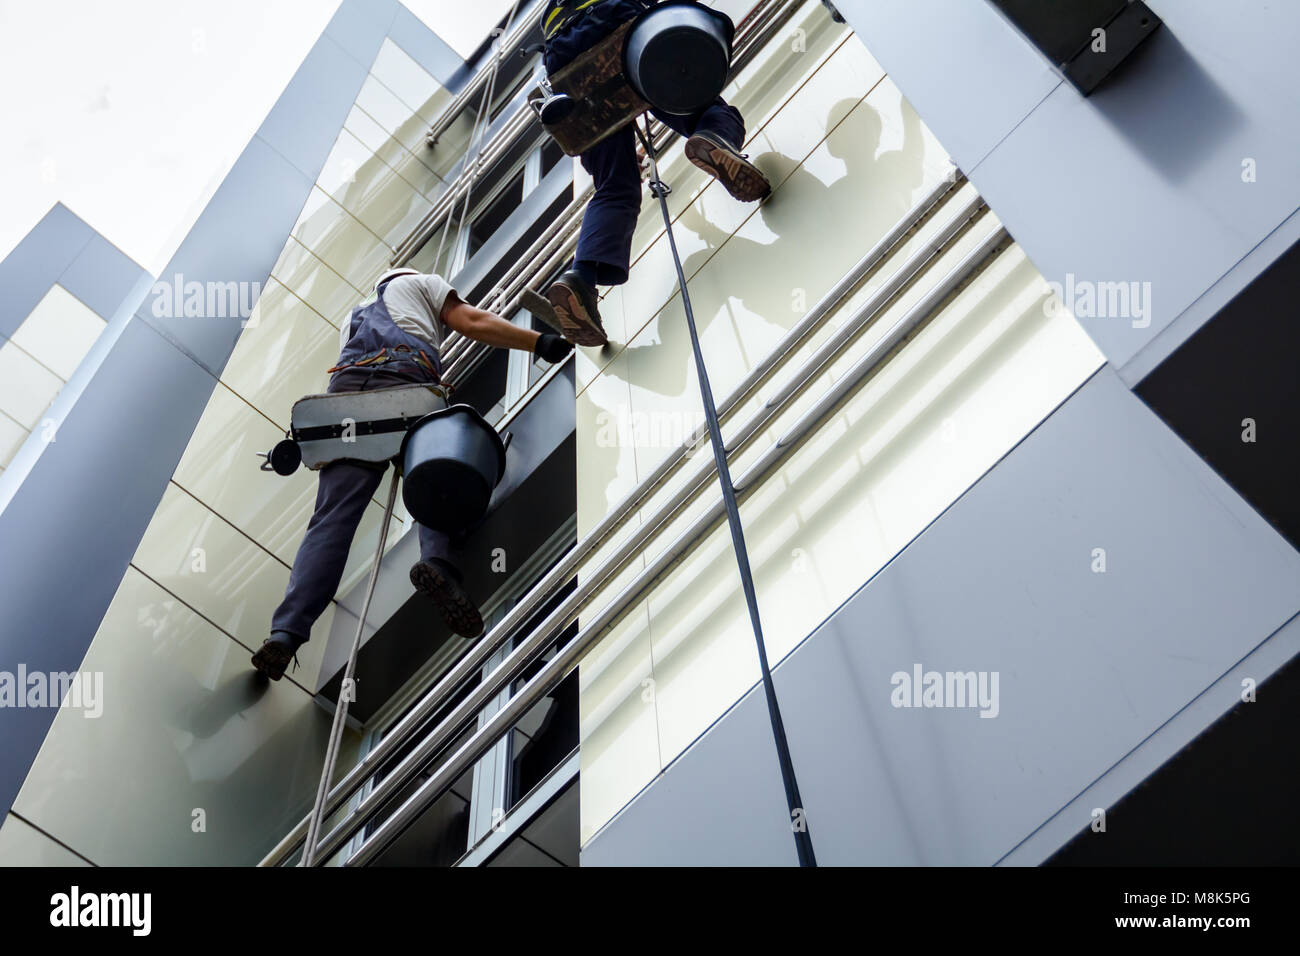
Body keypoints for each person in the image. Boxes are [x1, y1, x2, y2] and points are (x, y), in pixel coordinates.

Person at [251, 268, 573, 681]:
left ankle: (287, 632)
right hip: (405, 384)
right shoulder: (422, 283)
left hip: (344, 405)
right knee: (435, 469)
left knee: (330, 523)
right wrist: (539, 342)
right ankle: (438, 561)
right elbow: (471, 321)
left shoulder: (356, 313)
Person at [541, 0, 772, 347]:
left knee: (614, 187)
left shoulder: (550, 8)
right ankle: (714, 138)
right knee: (706, 109)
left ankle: (582, 279)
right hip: (619, 31)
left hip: (567, 70)